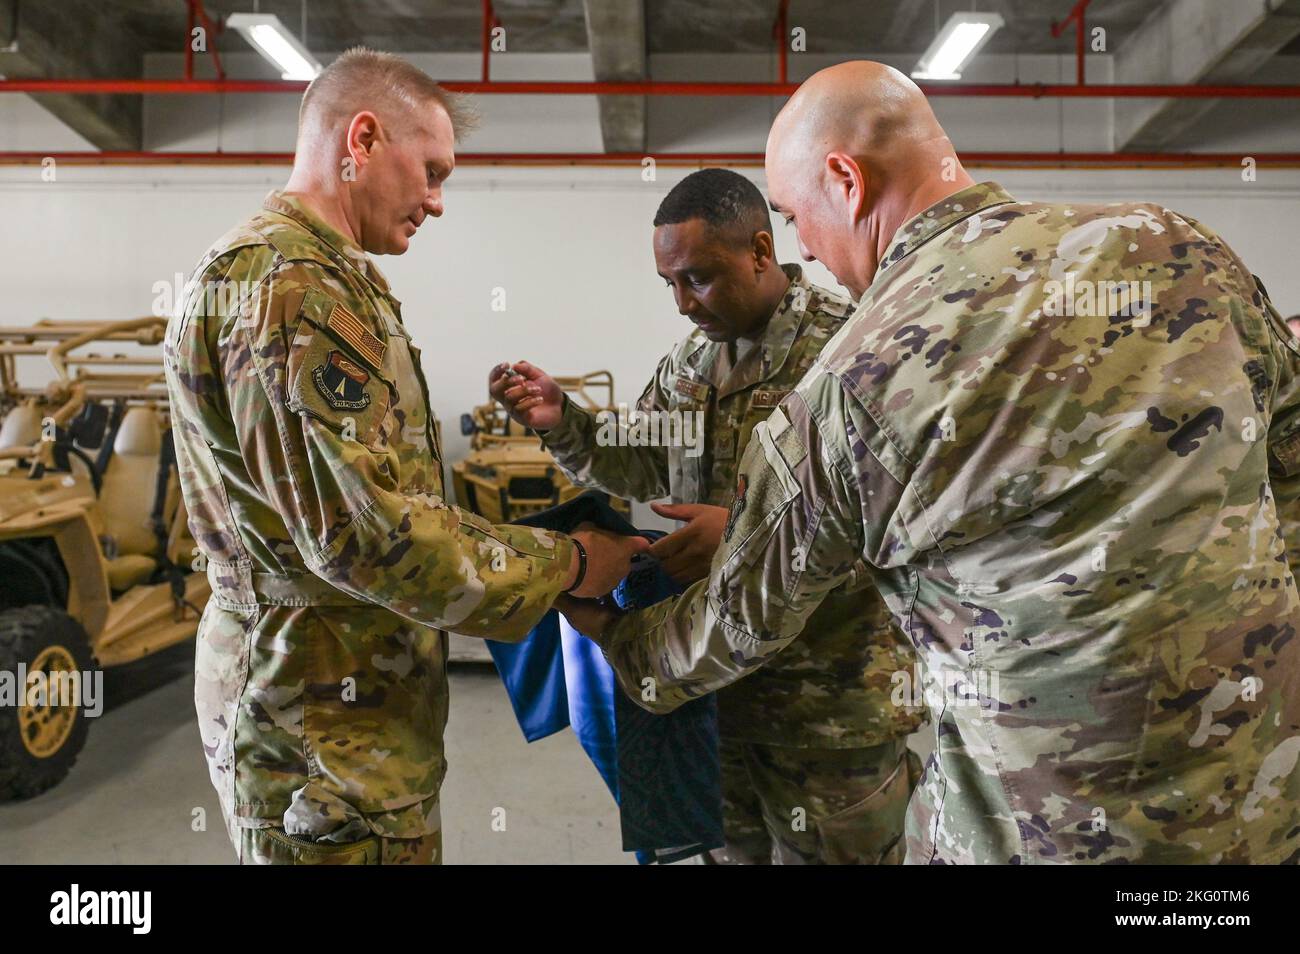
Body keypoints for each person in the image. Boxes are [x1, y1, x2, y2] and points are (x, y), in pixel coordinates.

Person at [563, 61, 1300, 864]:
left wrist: (616, 637)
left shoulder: (854, 373)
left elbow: (735, 622)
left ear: (844, 180)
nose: (803, 242)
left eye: (793, 214)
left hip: (1034, 820)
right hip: (1253, 794)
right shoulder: (1178, 248)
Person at [164, 48, 644, 866]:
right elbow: (365, 536)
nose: (437, 202)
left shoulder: (319, 278)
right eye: (431, 171)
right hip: (320, 724)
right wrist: (565, 564)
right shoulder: (294, 288)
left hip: (341, 704)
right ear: (362, 138)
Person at [491, 168, 922, 864]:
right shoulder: (693, 360)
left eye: (699, 278)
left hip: (828, 705)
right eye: (670, 284)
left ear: (759, 250)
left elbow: (904, 518)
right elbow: (641, 464)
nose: (684, 304)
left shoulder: (851, 353)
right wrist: (561, 421)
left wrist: (750, 538)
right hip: (711, 689)